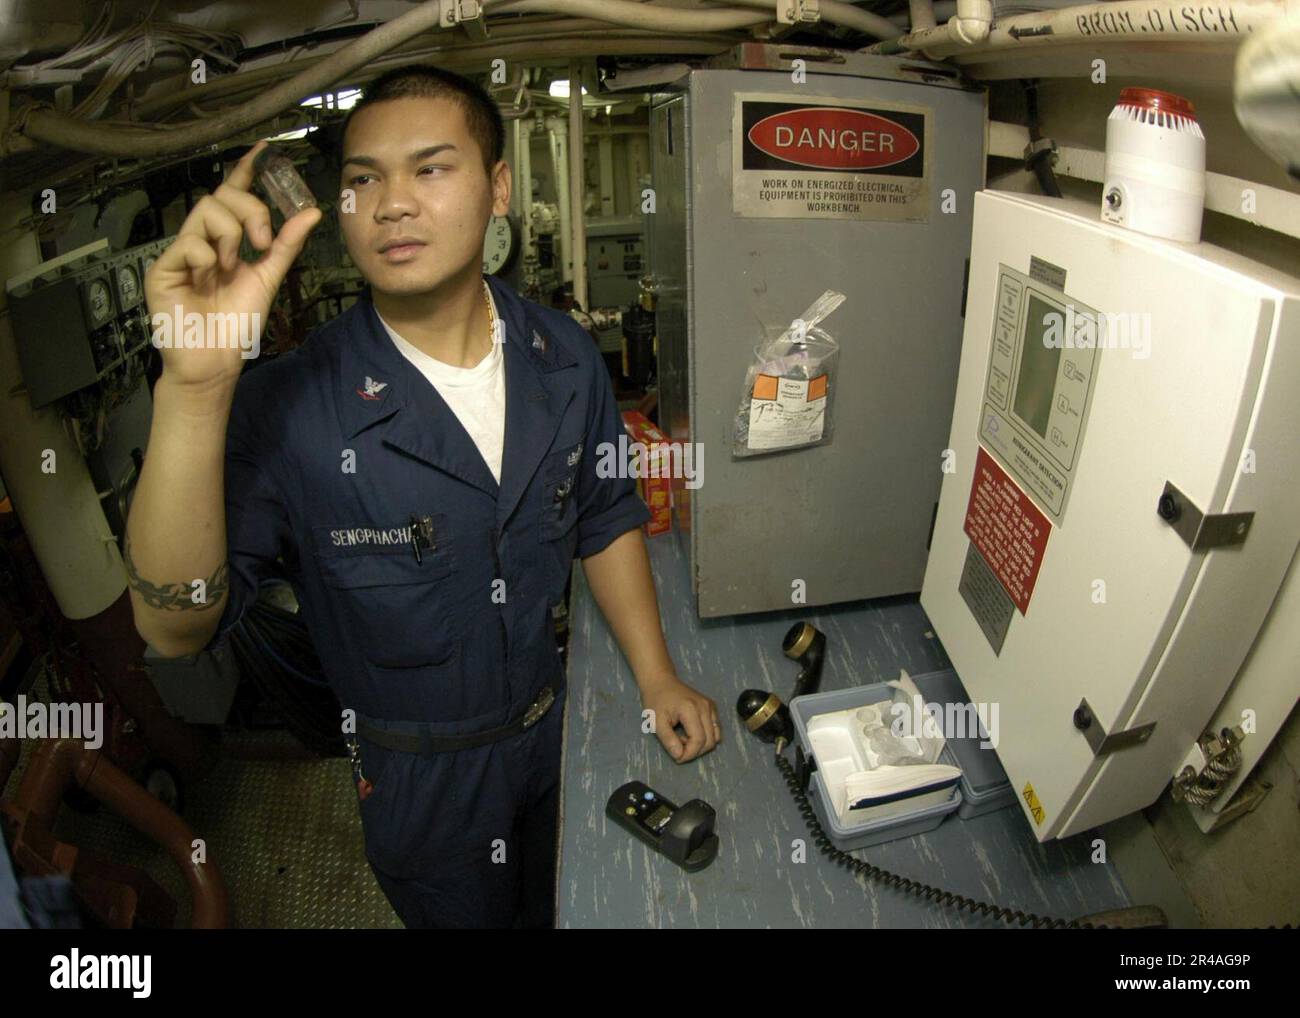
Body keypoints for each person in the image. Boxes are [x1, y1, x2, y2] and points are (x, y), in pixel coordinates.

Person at [125, 63, 720, 929]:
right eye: (364, 179)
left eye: (431, 168)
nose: (392, 203)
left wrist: (656, 675)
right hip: (421, 781)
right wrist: (192, 388)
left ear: (500, 188)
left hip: (554, 736)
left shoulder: (561, 356)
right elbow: (172, 624)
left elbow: (604, 518)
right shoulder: (290, 406)